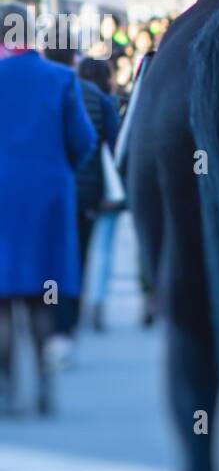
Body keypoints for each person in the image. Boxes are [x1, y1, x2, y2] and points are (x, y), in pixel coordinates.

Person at [0, 3, 96, 412]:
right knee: (44, 293)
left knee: (3, 298)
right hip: (48, 196)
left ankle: (5, 392)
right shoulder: (60, 79)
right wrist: (58, 168)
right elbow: (84, 141)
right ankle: (43, 386)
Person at [76, 57, 124, 332]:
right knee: (103, 249)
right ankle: (97, 304)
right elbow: (117, 145)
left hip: (75, 189)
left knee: (76, 246)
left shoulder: (68, 95)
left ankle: (75, 300)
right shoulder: (108, 103)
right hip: (106, 188)